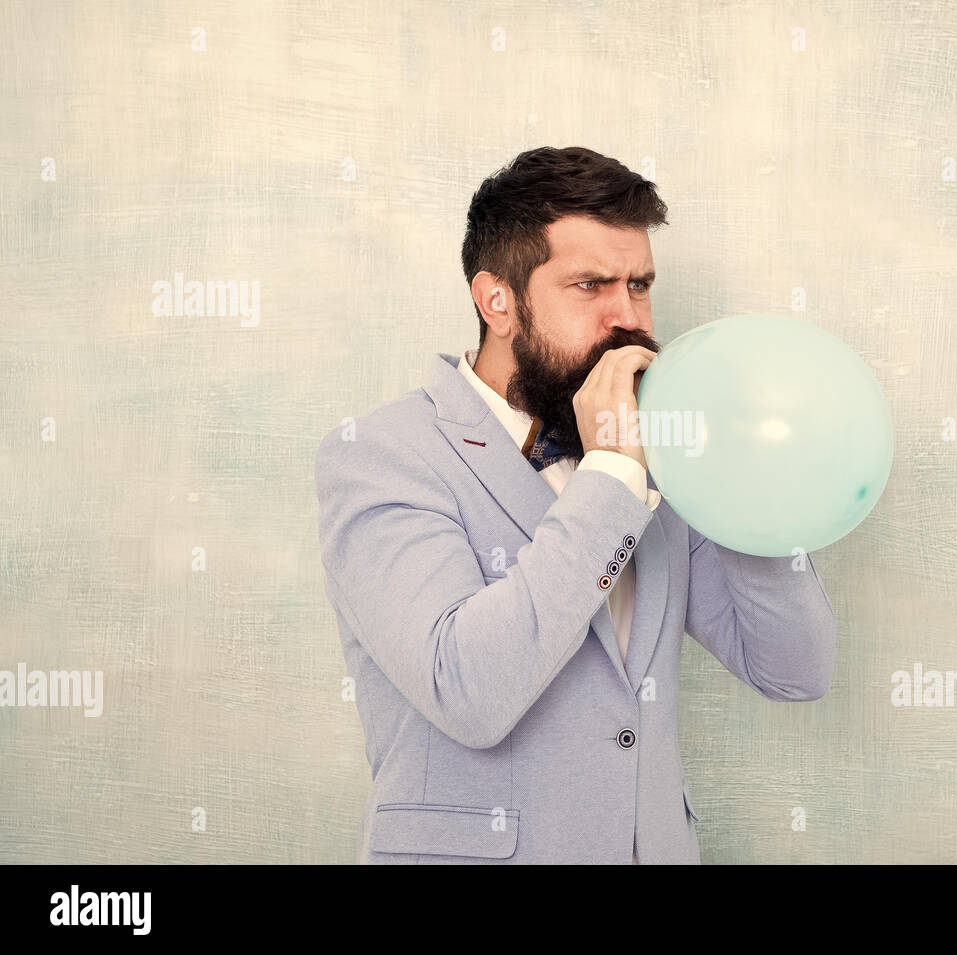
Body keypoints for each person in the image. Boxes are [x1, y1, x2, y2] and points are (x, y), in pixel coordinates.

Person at [314, 145, 836, 864]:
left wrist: (741, 479)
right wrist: (613, 474)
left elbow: (793, 668)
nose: (627, 316)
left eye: (640, 284)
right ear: (497, 300)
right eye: (591, 285)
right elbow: (467, 689)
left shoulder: (667, 453)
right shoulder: (381, 454)